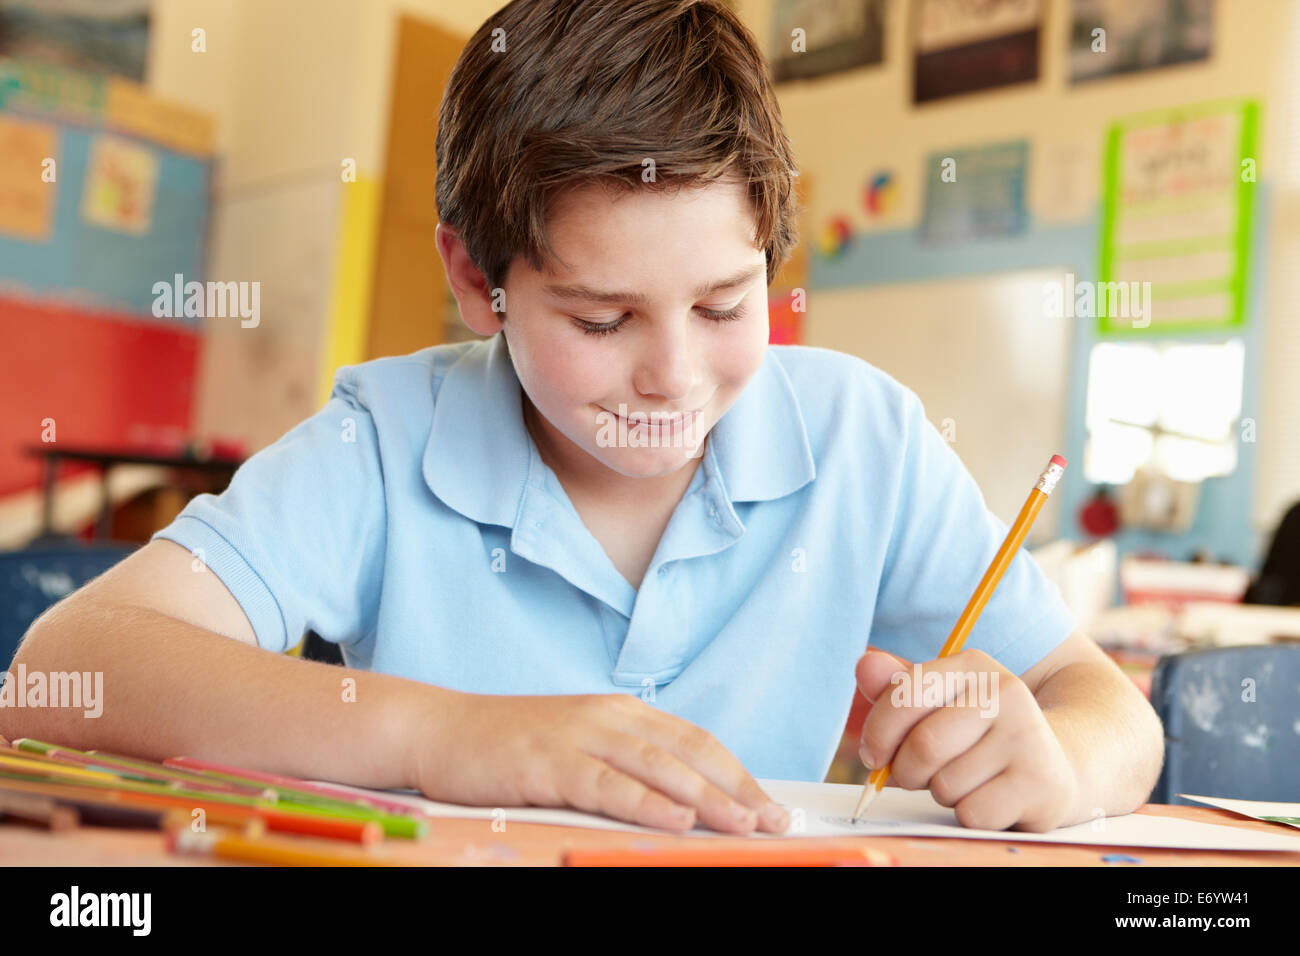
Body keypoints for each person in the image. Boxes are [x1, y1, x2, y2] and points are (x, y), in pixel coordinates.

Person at [2, 0, 1162, 835]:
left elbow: (1113, 711)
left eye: (723, 301)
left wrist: (1055, 759)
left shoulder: (864, 437)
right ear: (475, 280)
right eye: (602, 319)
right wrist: (445, 736)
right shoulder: (388, 437)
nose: (673, 375)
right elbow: (66, 668)